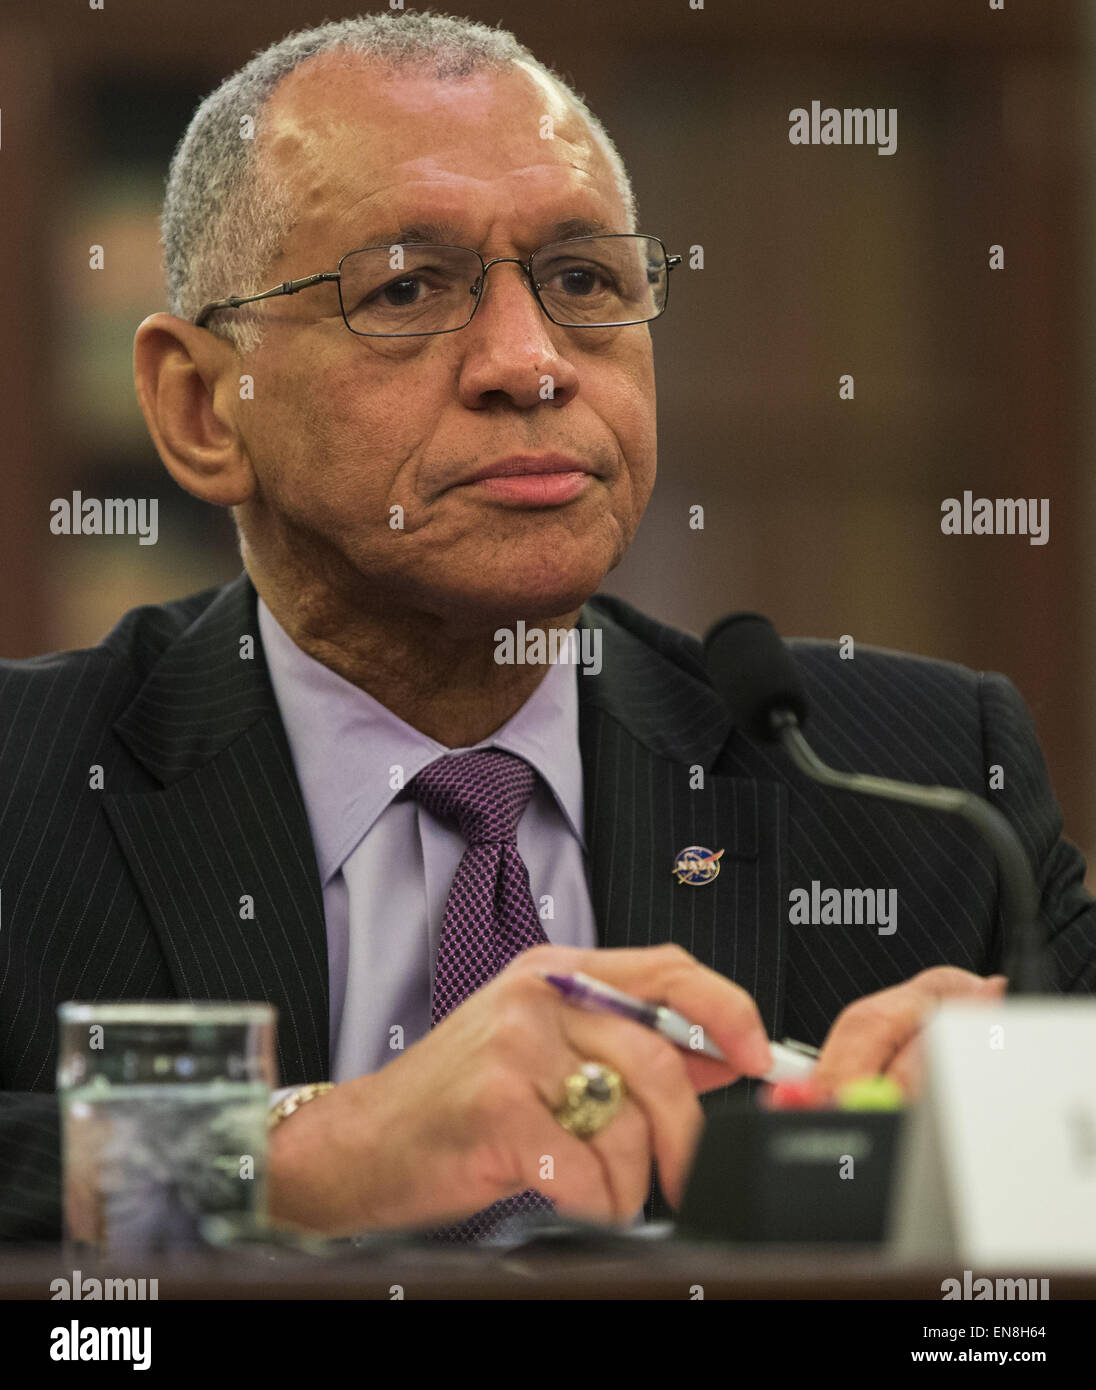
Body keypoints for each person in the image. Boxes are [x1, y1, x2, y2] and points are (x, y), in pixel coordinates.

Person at [2, 12, 1093, 1245]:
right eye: (406, 288)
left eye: (582, 282)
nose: (528, 364)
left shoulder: (923, 783)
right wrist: (292, 1152)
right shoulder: (23, 785)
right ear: (202, 405)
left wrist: (1047, 1116)